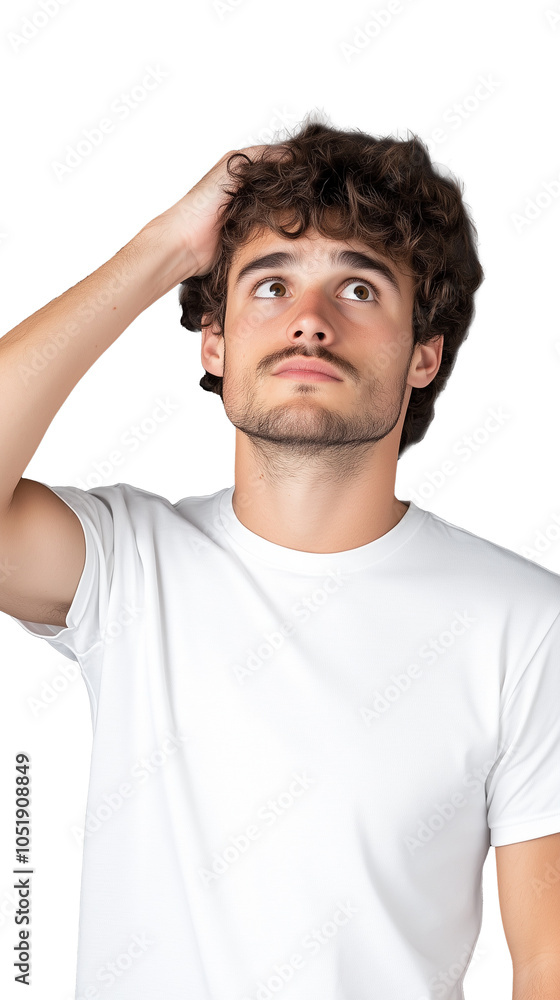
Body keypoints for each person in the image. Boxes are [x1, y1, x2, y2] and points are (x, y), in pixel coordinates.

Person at [1, 114, 560, 1000]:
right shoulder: (126, 568)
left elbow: (549, 964)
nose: (308, 321)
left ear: (424, 356)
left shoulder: (530, 625)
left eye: (360, 289)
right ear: (214, 346)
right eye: (269, 287)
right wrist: (160, 251)